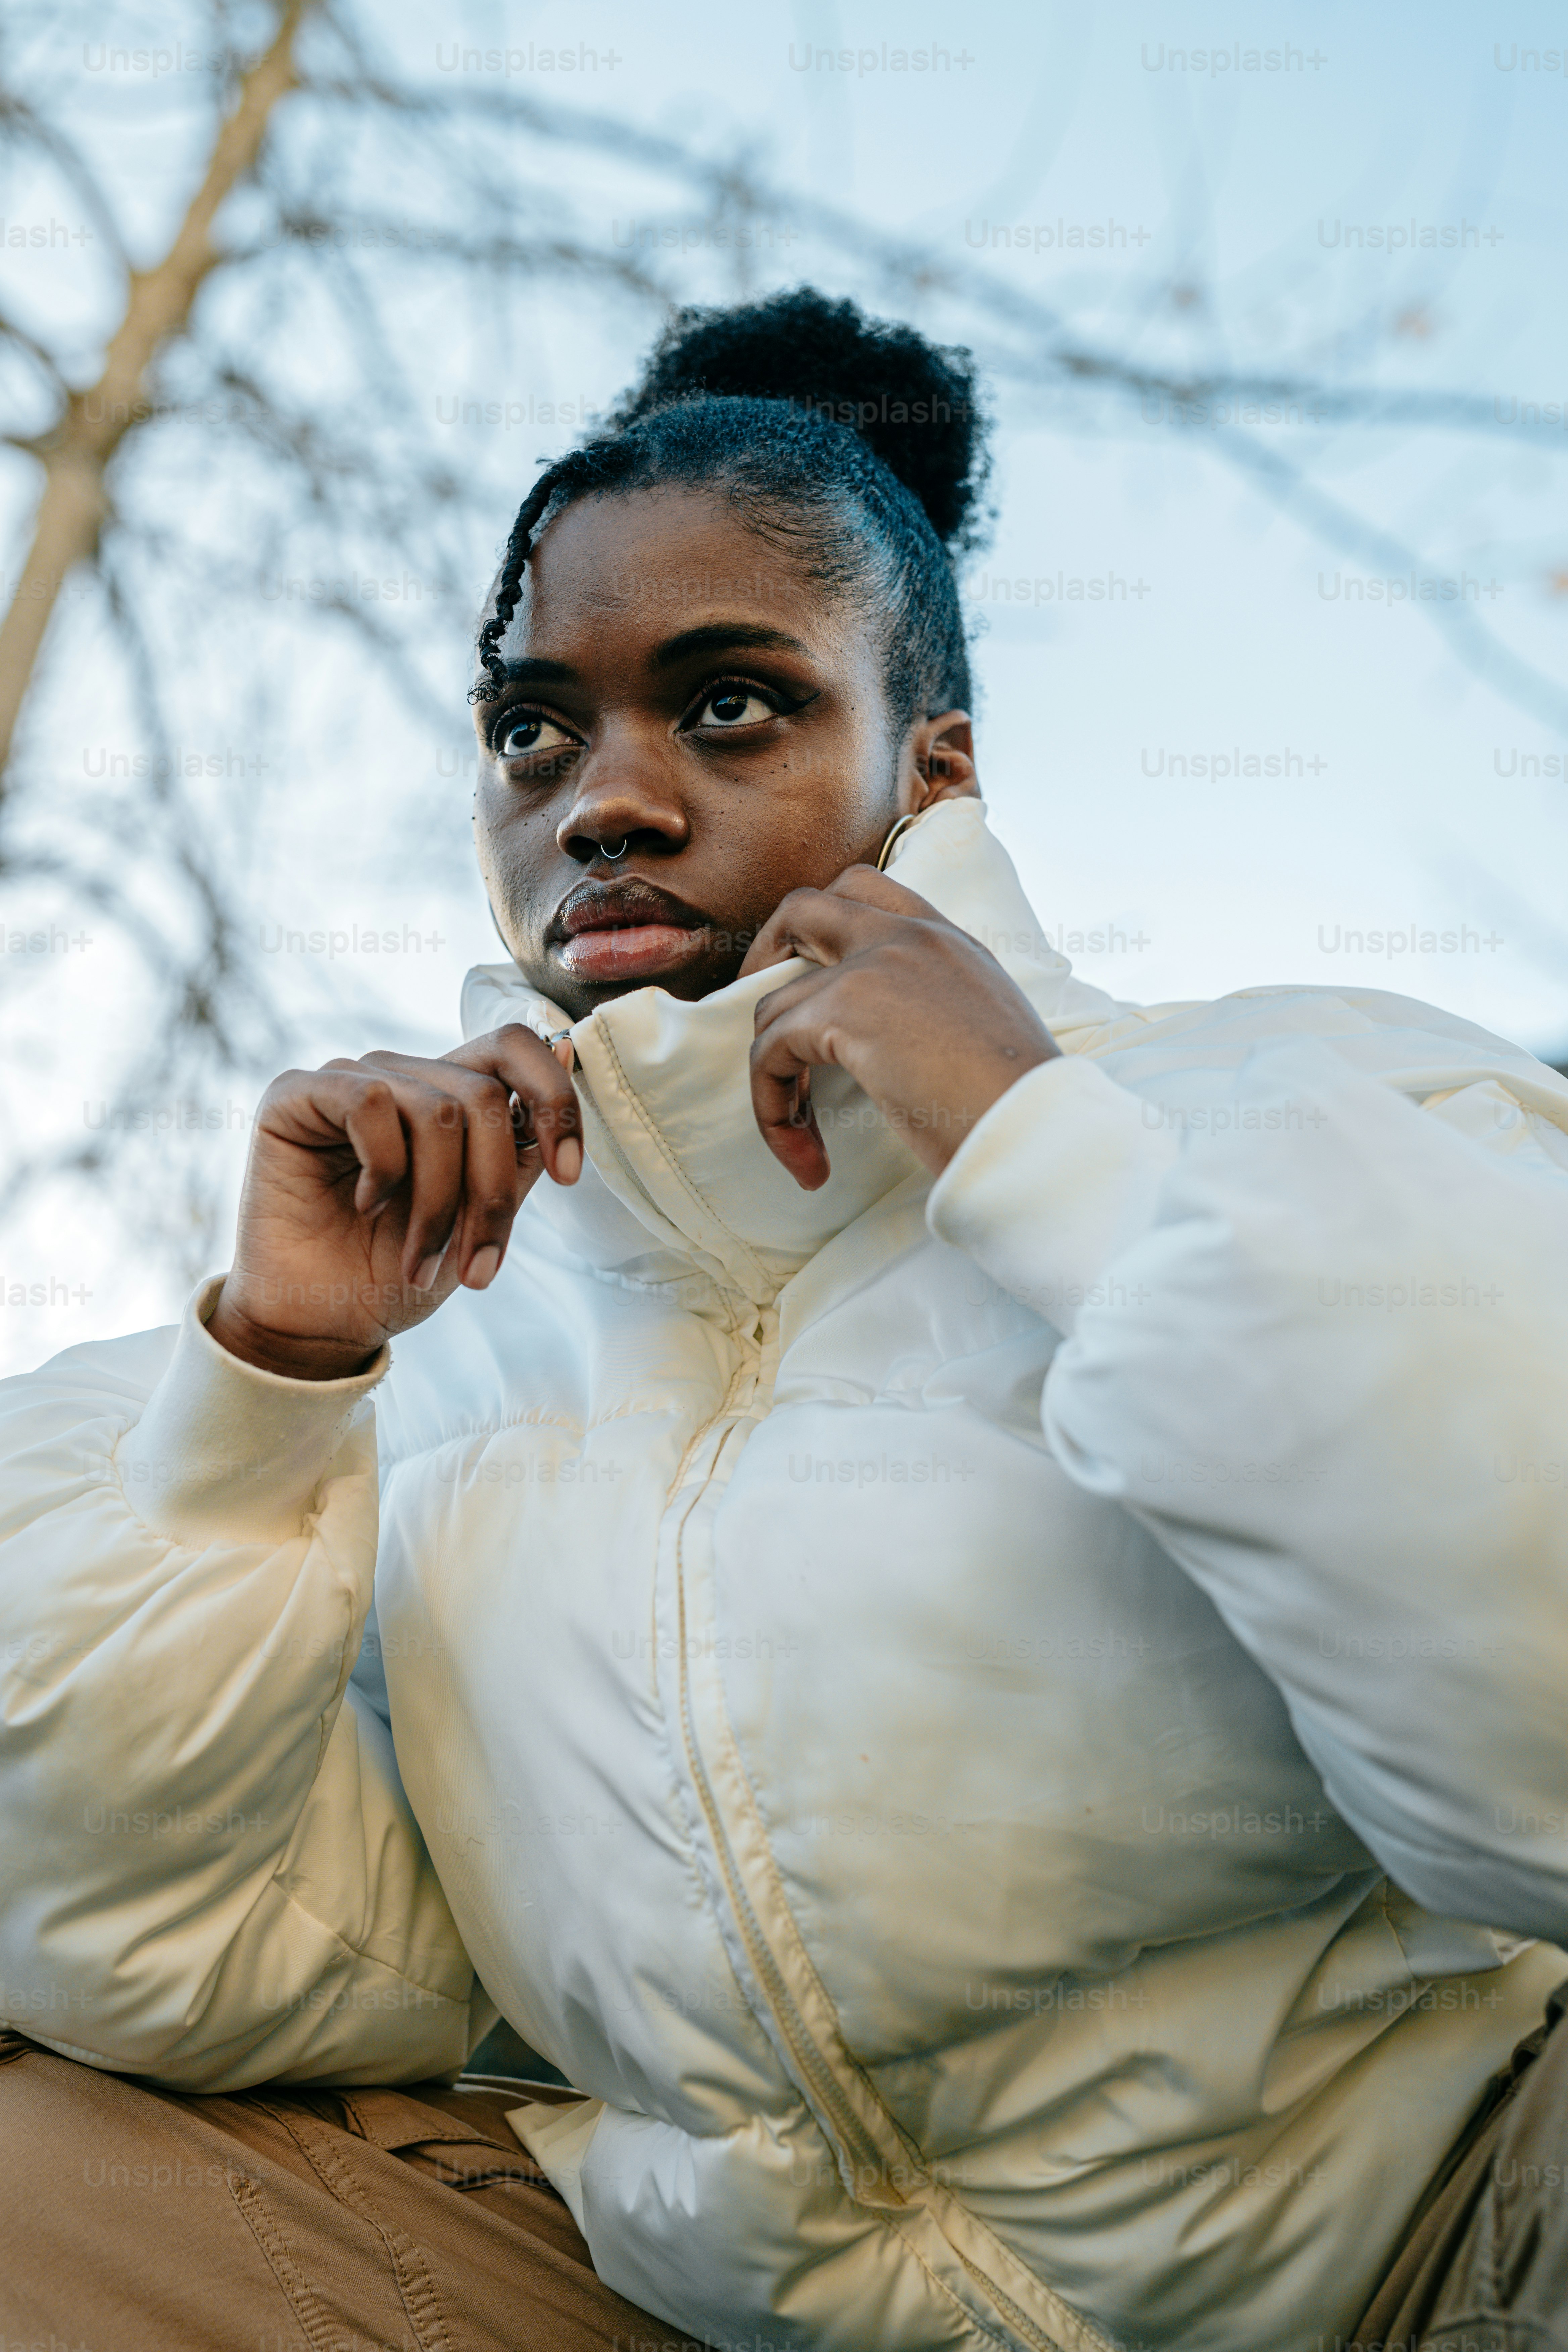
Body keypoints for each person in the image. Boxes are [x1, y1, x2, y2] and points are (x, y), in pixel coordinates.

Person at [3, 288, 1568, 2352]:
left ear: (933, 771)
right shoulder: (417, 1348)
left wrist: (1038, 1150)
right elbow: (141, 1954)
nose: (603, 799)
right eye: (532, 729)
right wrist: (269, 1387)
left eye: (729, 705)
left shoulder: (1303, 1107)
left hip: (1427, 2274)